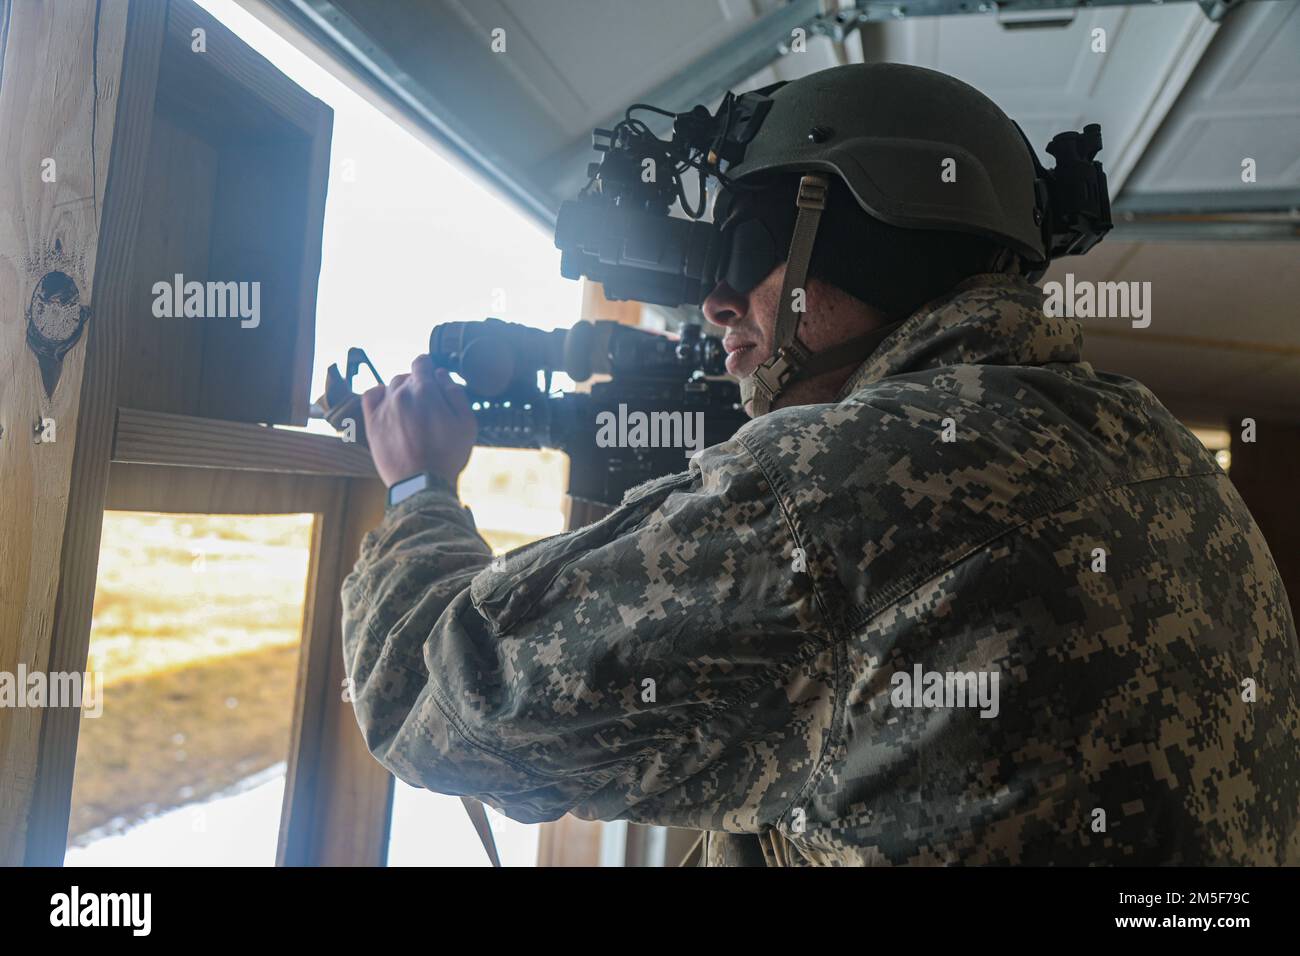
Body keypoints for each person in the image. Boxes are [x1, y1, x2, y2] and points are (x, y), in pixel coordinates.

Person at [342, 63, 1299, 865]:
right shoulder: (1157, 448)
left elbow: (437, 702)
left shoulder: (824, 494)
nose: (715, 304)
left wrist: (419, 491)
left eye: (744, 244)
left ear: (865, 237)